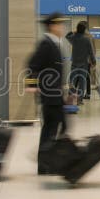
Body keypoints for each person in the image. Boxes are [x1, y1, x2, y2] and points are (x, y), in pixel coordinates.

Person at [26, 12, 68, 174]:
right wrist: (31, 84)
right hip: (50, 95)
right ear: (52, 26)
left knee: (53, 128)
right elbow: (32, 64)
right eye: (59, 25)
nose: (62, 27)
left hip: (55, 94)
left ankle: (45, 162)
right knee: (55, 128)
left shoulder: (54, 43)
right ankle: (45, 162)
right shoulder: (46, 44)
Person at [67, 21, 96, 105]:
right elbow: (91, 52)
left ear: (77, 29)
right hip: (84, 64)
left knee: (72, 81)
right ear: (84, 30)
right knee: (82, 82)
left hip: (74, 64)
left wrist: (73, 31)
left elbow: (67, 36)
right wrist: (94, 62)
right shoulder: (87, 39)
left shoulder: (73, 38)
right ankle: (80, 100)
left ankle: (70, 99)